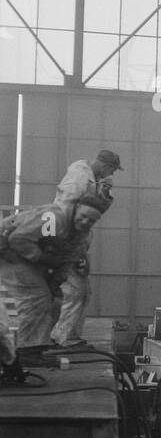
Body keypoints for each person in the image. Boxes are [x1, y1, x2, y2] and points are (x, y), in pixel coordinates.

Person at [0, 199, 105, 352]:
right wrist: (41, 258)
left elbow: (66, 264)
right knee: (37, 297)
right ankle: (20, 349)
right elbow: (18, 240)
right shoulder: (55, 219)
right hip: (7, 251)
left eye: (91, 220)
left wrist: (53, 285)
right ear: (74, 210)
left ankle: (36, 346)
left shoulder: (79, 236)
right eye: (83, 216)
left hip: (26, 257)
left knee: (54, 301)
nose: (85, 222)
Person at [49, 149, 120, 347]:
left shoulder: (90, 180)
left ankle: (68, 336)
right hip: (67, 240)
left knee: (81, 291)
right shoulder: (80, 177)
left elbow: (92, 208)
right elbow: (65, 208)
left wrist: (104, 195)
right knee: (75, 291)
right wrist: (72, 245)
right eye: (112, 170)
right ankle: (61, 338)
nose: (111, 175)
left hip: (73, 240)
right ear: (106, 166)